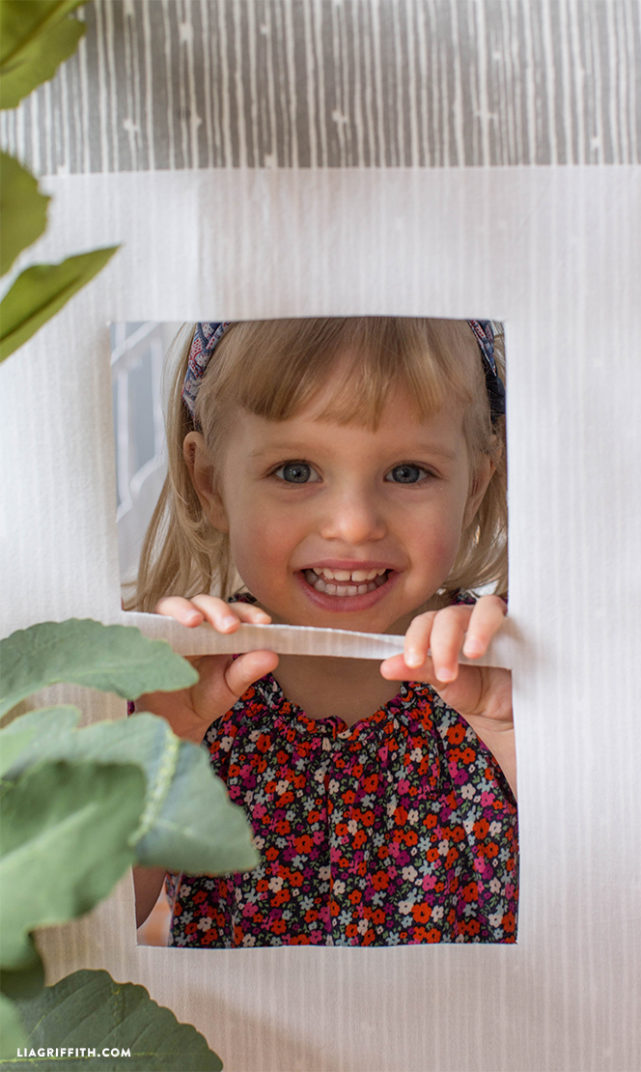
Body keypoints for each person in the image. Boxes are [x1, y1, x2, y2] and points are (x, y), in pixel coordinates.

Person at [130, 317, 517, 947]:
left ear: (476, 483)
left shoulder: (504, 672)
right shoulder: (181, 680)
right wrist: (161, 744)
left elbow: (614, 894)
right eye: (295, 471)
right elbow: (98, 919)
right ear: (211, 483)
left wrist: (513, 733)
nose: (354, 524)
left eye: (408, 473)